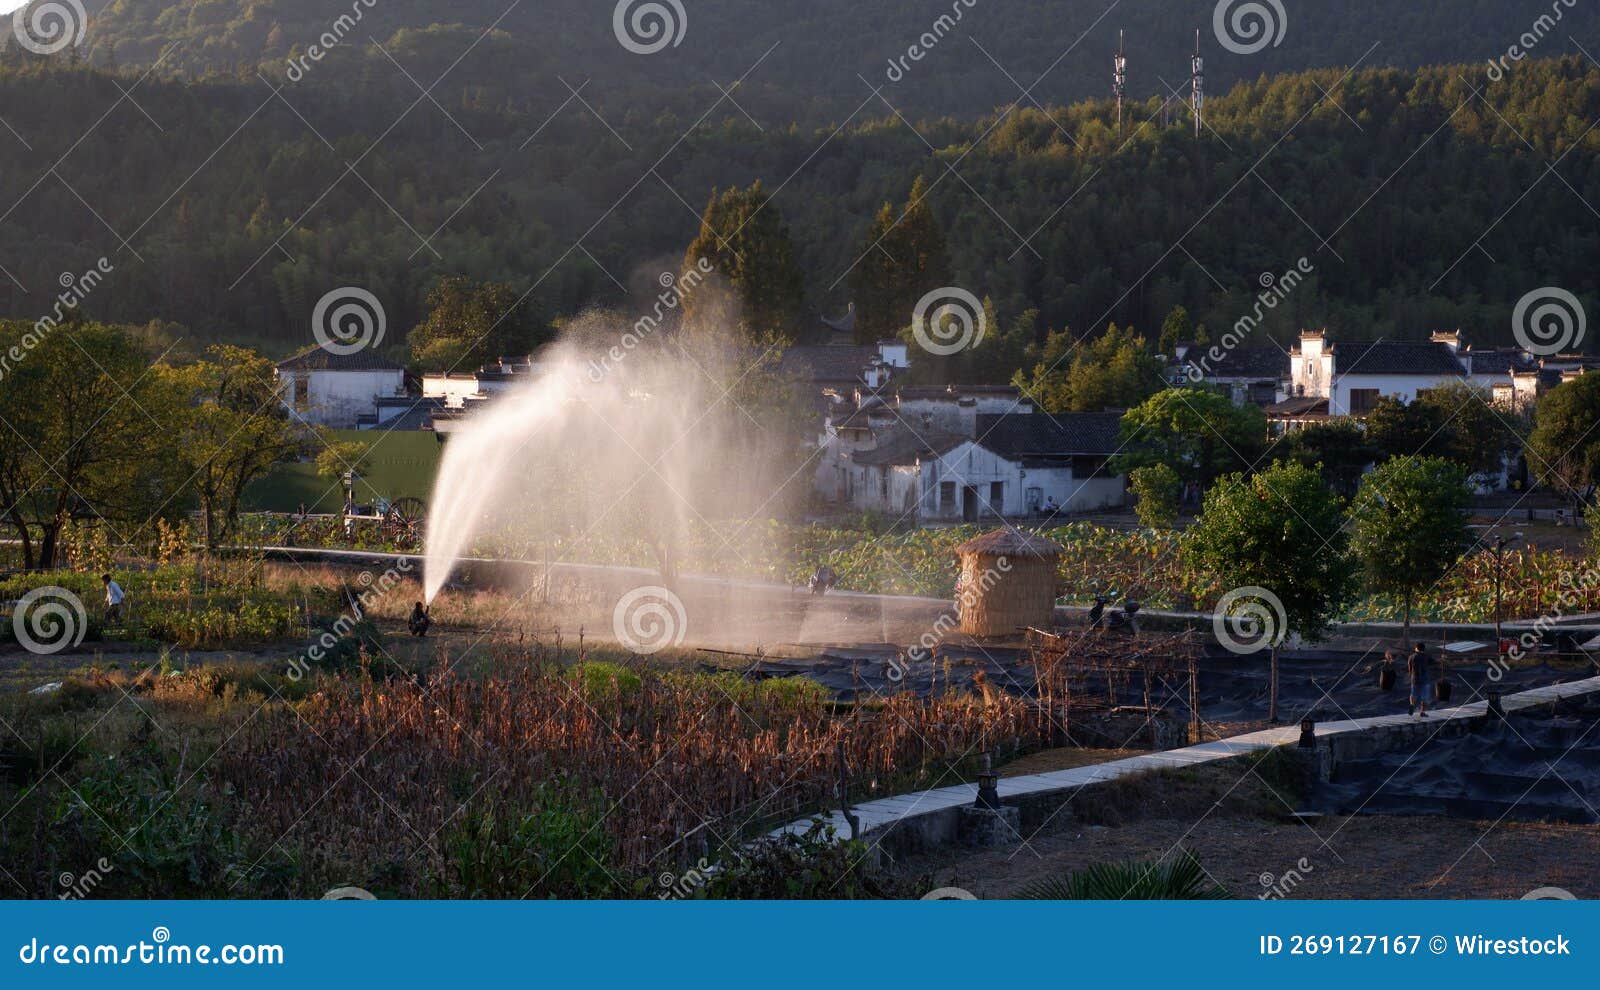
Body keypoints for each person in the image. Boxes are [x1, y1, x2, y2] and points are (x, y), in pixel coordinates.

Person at [1408, 642, 1433, 717]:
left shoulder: (1411, 657)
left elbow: (1409, 669)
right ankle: (1422, 712)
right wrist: (1442, 658)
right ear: (1424, 649)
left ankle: (1412, 704)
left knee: (1413, 694)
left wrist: (1411, 676)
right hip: (1425, 680)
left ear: (1416, 648)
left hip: (1415, 679)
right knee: (1424, 697)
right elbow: (1435, 662)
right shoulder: (1426, 656)